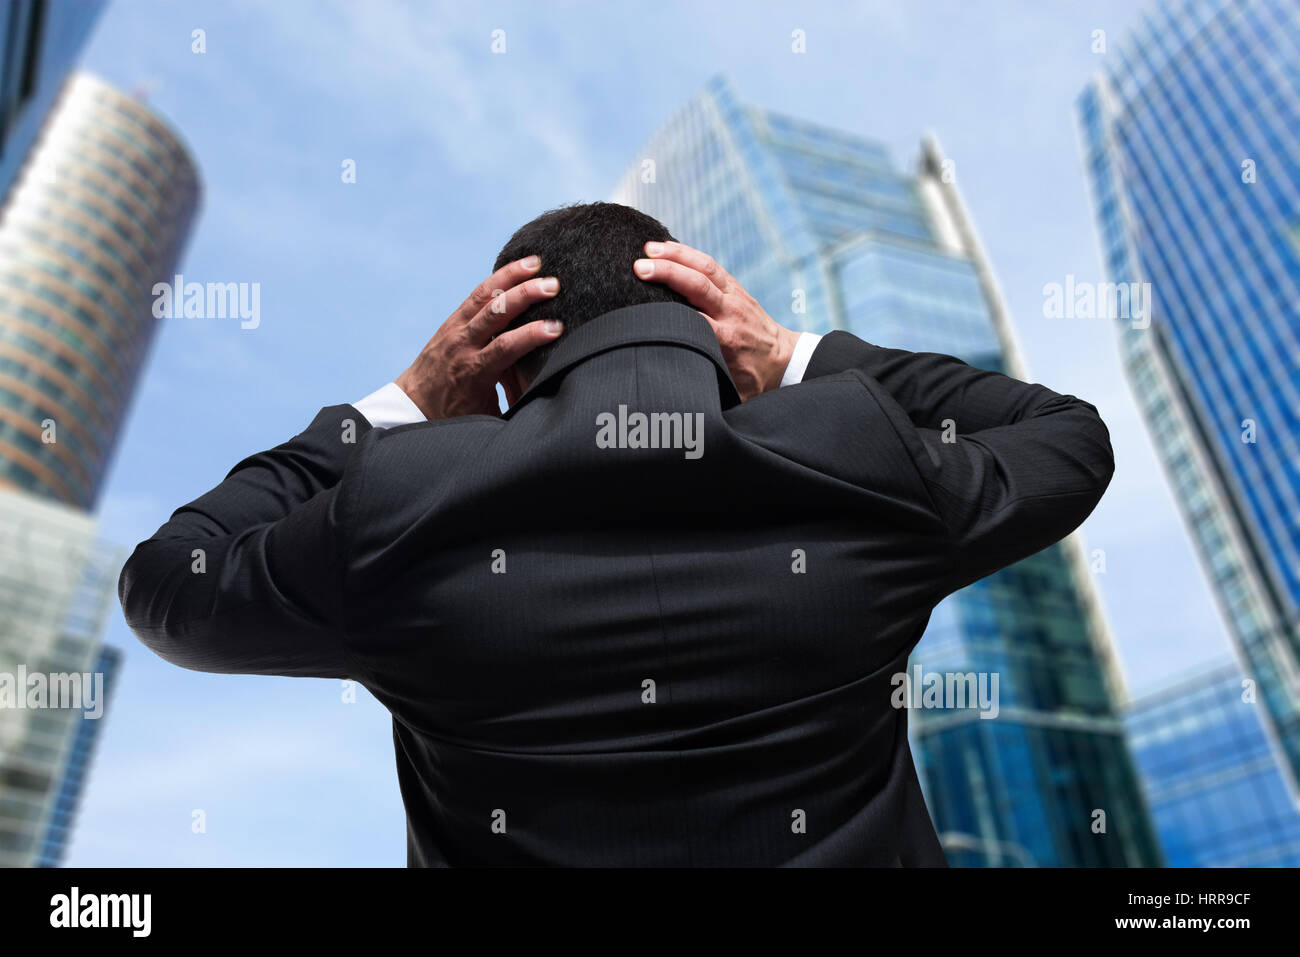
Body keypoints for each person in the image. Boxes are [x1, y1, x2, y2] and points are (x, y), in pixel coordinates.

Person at [119, 201, 1114, 866]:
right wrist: (797, 354)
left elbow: (169, 584)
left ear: (504, 365)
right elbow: (1065, 439)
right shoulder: (856, 455)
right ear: (705, 322)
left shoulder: (396, 502)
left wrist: (397, 407)